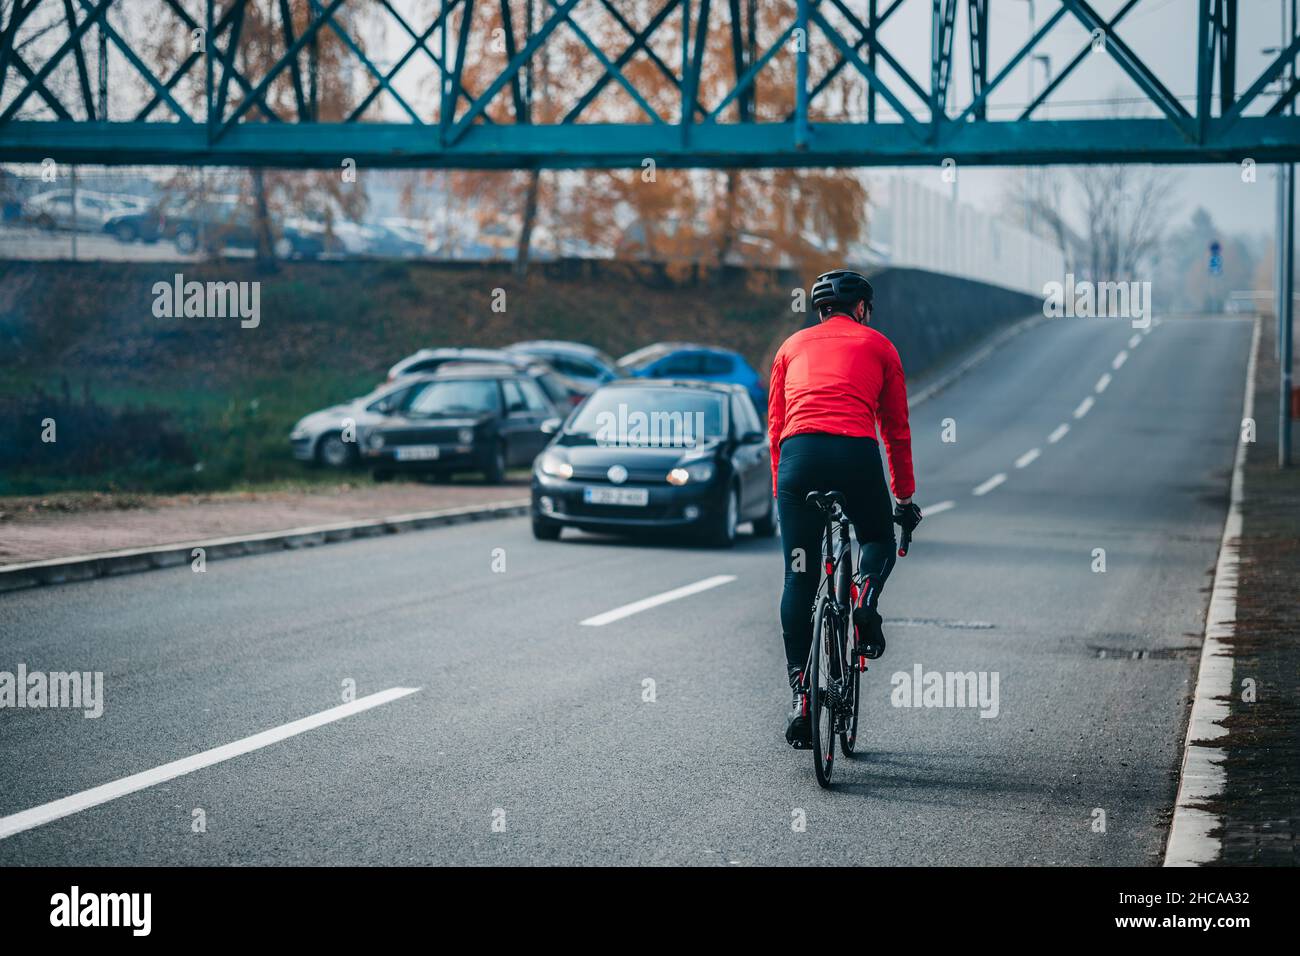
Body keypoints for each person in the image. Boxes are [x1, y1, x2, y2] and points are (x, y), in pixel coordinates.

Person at [767, 269, 923, 748]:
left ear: (819, 310)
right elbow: (896, 429)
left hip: (799, 460)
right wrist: (903, 499)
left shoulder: (790, 347)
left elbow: (775, 427)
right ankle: (865, 602)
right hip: (854, 456)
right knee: (874, 537)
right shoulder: (879, 346)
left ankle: (801, 695)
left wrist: (783, 494)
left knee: (799, 576)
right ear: (861, 308)